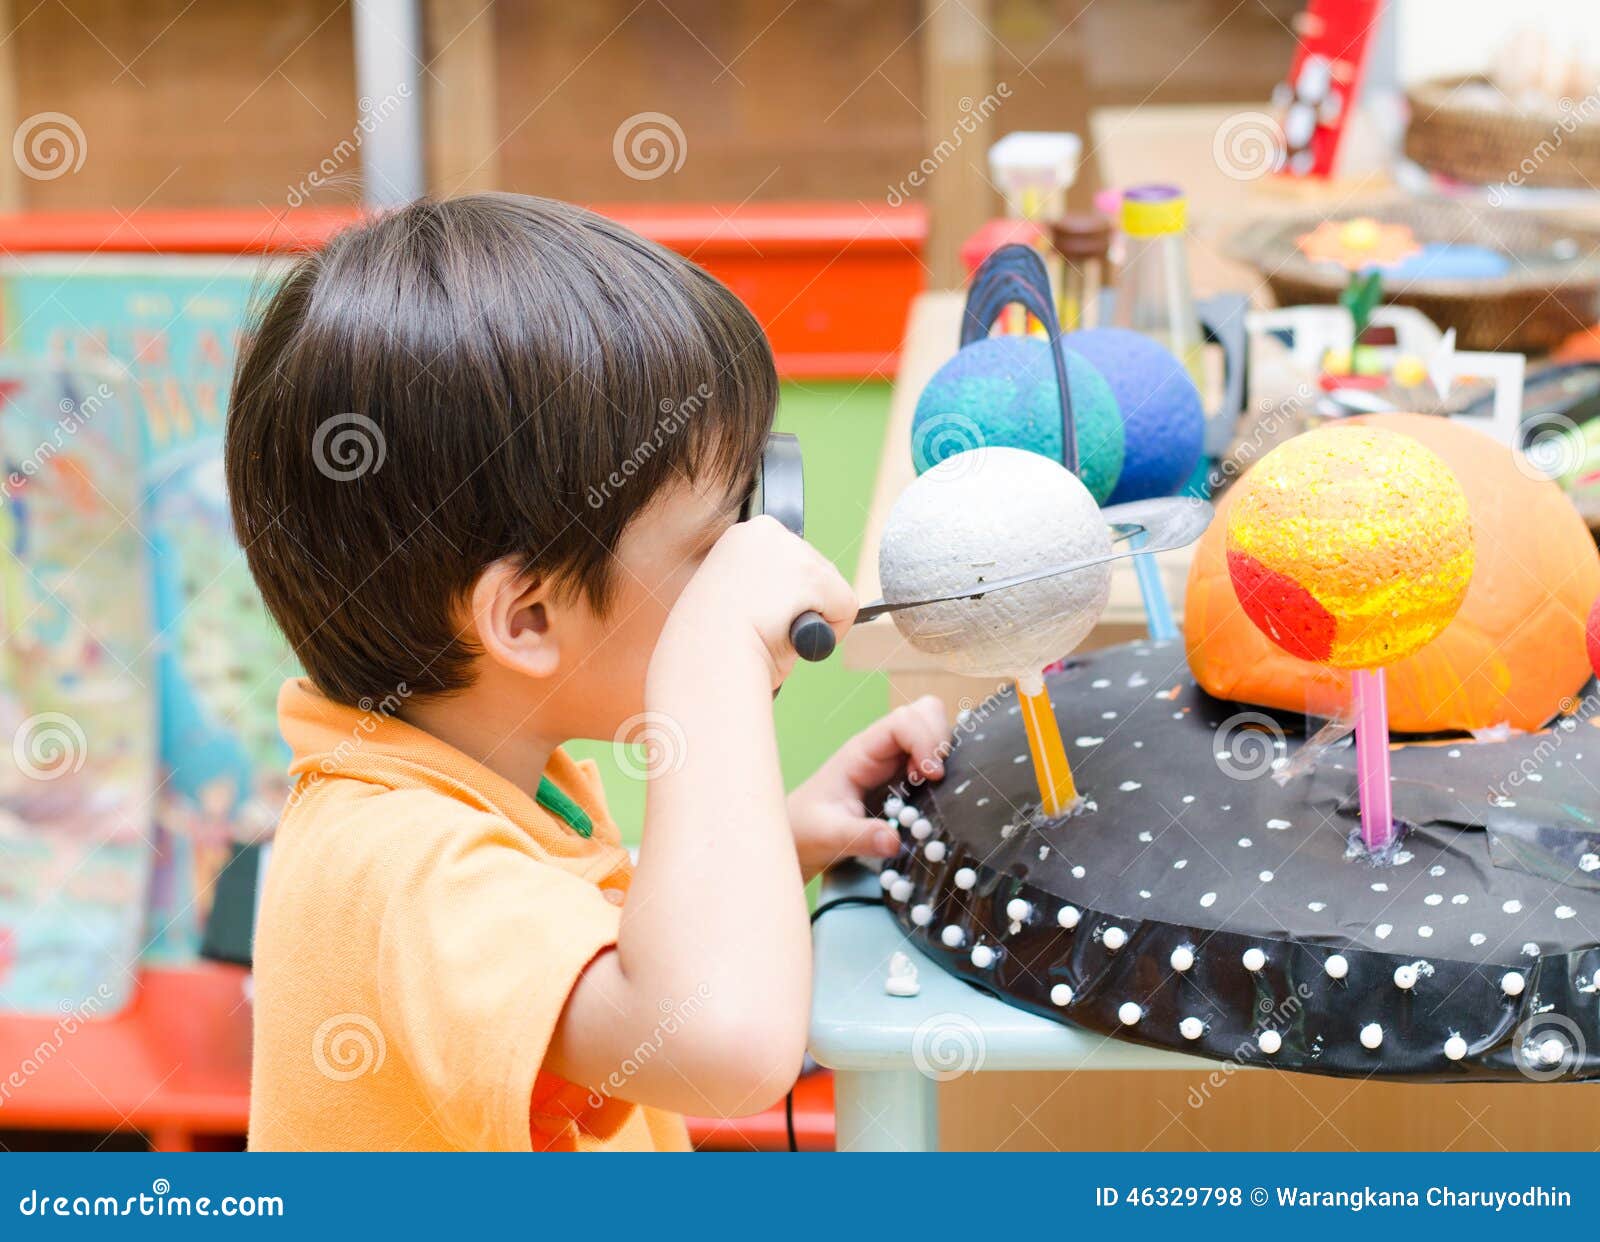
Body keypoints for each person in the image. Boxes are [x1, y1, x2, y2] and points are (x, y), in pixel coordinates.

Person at [225, 193, 949, 1151]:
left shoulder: (491, 781)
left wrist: (781, 838)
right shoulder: (399, 869)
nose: (749, 563)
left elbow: (593, 933)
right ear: (526, 619)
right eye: (710, 551)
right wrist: (714, 662)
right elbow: (724, 1048)